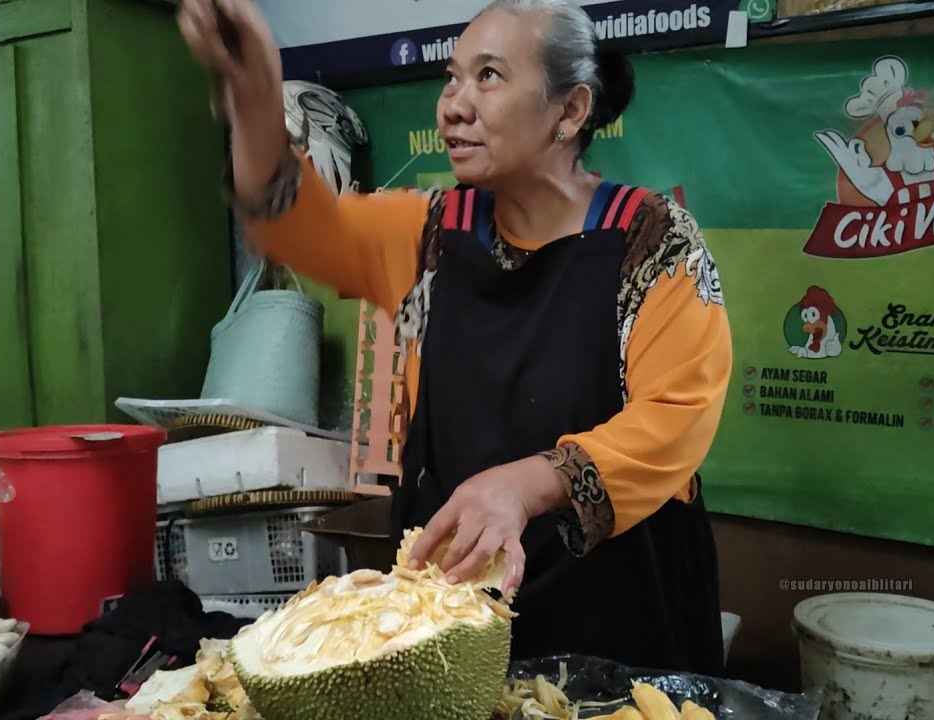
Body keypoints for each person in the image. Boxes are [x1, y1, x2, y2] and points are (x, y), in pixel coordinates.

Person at [178, 0, 732, 675]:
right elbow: (290, 225)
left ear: (571, 109)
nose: (453, 105)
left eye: (489, 76)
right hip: (458, 607)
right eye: (452, 77)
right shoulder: (428, 232)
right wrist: (257, 94)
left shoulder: (653, 237)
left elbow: (677, 417)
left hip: (623, 611)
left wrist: (525, 486)